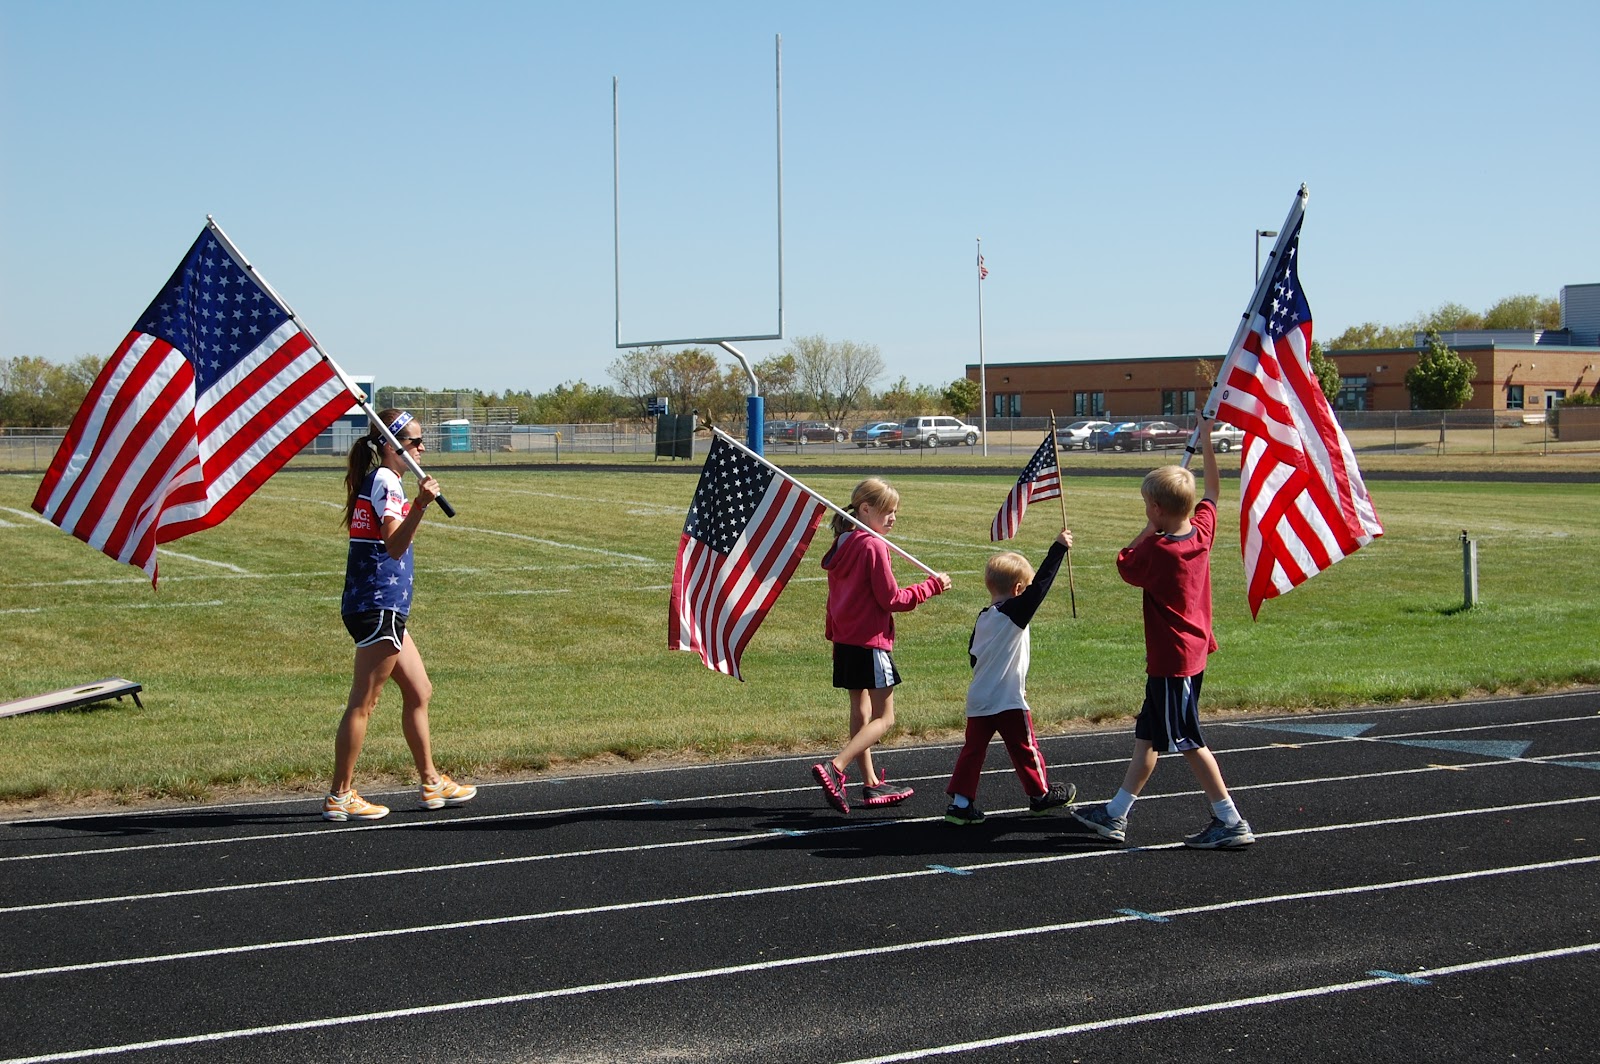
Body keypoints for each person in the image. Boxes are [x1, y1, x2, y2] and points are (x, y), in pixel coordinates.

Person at [1070, 420, 1255, 849]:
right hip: (1188, 653)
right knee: (1149, 735)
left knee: (1188, 739)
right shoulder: (1201, 533)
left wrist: (1149, 530)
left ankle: (1230, 819)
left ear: (1155, 509)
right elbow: (1213, 491)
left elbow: (1125, 561)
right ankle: (1115, 813)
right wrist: (1207, 442)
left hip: (1175, 659)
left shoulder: (1158, 551)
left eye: (1147, 505)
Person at [322, 410, 477, 822]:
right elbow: (392, 544)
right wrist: (422, 505)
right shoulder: (388, 481)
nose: (422, 448)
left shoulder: (380, 480)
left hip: (381, 606)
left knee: (419, 690)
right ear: (392, 446)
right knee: (364, 703)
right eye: (414, 442)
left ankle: (430, 780)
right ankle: (340, 794)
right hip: (378, 606)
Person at [811, 478, 951, 813]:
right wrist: (931, 587)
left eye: (895, 513)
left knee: (860, 712)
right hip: (870, 643)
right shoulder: (873, 546)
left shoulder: (842, 542)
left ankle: (872, 783)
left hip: (846, 641)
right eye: (886, 512)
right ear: (865, 510)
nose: (892, 518)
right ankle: (836, 767)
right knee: (885, 717)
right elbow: (891, 599)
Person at [943, 529, 1078, 825]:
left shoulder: (984, 616)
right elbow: (1039, 589)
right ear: (1018, 590)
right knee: (1025, 748)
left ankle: (961, 804)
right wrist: (1057, 549)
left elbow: (973, 655)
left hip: (979, 696)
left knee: (973, 751)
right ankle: (1040, 794)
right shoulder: (1014, 613)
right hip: (1007, 698)